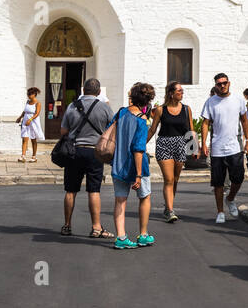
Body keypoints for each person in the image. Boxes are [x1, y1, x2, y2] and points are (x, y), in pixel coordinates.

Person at [58, 77, 113, 238]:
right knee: (94, 191)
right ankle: (96, 227)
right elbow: (113, 126)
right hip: (95, 152)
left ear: (83, 91)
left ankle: (67, 225)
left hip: (74, 151)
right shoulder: (104, 107)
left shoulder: (72, 106)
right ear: (99, 92)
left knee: (70, 190)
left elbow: (63, 132)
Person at [200, 72, 248, 224]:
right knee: (218, 182)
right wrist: (204, 143)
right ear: (215, 86)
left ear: (229, 83)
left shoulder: (238, 100)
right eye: (219, 84)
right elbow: (205, 123)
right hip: (217, 147)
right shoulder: (210, 102)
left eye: (224, 83)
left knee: (238, 178)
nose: (222, 85)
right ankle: (220, 211)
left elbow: (244, 120)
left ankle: (230, 199)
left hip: (234, 146)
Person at [111, 82, 156, 249]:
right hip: (139, 166)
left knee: (120, 200)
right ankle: (143, 234)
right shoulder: (142, 120)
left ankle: (121, 237)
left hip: (119, 162)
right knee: (144, 197)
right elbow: (138, 149)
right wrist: (138, 174)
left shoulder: (121, 112)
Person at [147, 81, 191, 223]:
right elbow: (153, 129)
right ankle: (170, 211)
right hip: (164, 144)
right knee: (169, 179)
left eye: (182, 91)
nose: (181, 93)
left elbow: (190, 130)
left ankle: (168, 206)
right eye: (179, 91)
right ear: (171, 93)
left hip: (180, 145)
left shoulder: (186, 109)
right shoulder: (160, 110)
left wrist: (194, 149)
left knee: (176, 179)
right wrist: (140, 145)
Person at [19, 87, 44, 161]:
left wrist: (30, 119)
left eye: (30, 94)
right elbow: (24, 111)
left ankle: (34, 156)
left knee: (33, 139)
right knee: (24, 138)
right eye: (28, 94)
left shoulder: (38, 103)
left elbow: (37, 113)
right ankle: (23, 156)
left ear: (34, 94)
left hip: (33, 122)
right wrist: (20, 117)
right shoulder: (27, 102)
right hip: (25, 121)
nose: (28, 95)